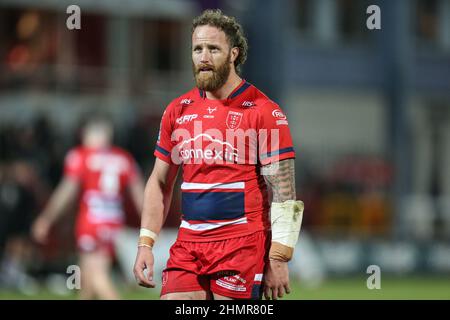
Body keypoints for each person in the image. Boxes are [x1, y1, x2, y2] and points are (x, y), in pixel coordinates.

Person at [133, 9, 304, 300]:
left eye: (213, 49)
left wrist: (279, 257)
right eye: (197, 49)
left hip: (242, 247)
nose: (203, 57)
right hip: (189, 245)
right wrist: (145, 243)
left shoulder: (264, 111)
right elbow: (160, 182)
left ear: (233, 54)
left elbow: (284, 192)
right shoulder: (178, 110)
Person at [32, 115, 145, 299]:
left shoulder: (81, 155)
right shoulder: (124, 158)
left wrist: (46, 218)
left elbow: (66, 191)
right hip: (113, 222)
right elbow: (140, 193)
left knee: (97, 277)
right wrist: (151, 225)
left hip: (91, 221)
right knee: (86, 280)